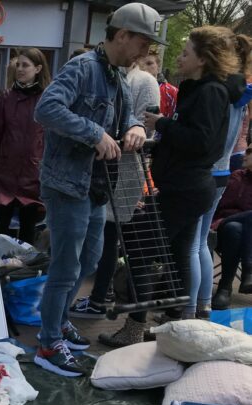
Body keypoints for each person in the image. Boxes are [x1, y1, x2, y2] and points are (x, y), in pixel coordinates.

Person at [32, 3, 156, 377]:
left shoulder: (117, 75)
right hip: (68, 184)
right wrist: (94, 133)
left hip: (96, 187)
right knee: (67, 266)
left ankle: (59, 324)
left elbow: (123, 116)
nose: (147, 52)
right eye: (143, 42)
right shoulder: (83, 68)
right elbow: (46, 109)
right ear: (122, 35)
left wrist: (135, 126)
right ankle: (48, 343)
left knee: (87, 262)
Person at [100, 25, 239, 346]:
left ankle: (134, 328)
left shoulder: (210, 92)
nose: (179, 56)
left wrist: (160, 124)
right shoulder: (205, 89)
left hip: (185, 188)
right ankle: (177, 325)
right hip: (189, 187)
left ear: (203, 59)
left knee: (141, 248)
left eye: (186, 52)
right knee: (176, 254)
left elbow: (203, 143)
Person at [70, 54, 160, 317]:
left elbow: (144, 129)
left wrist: (117, 135)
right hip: (106, 169)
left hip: (124, 171)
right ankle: (101, 293)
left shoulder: (143, 81)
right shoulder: (117, 77)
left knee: (110, 235)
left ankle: (98, 299)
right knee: (106, 236)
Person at [183, 33, 252, 319]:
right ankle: (203, 305)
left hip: (207, 172)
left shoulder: (220, 91)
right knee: (200, 243)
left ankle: (188, 308)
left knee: (192, 244)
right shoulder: (239, 92)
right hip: (223, 171)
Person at [0, 48, 50, 245]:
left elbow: (53, 135)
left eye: (25, 65)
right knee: (1, 225)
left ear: (38, 68)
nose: (20, 69)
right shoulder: (6, 98)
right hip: (6, 171)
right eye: (18, 64)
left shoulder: (48, 98)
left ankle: (23, 271)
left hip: (33, 170)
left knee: (28, 227)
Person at [212, 147, 252, 309]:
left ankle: (225, 287)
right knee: (235, 227)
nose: (244, 155)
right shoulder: (236, 176)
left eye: (249, 152)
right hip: (222, 229)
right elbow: (218, 203)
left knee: (238, 226)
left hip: (241, 234)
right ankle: (248, 271)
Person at [140, 51, 178, 116]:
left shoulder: (172, 91)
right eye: (140, 65)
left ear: (158, 66)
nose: (144, 68)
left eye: (149, 63)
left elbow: (174, 121)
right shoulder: (130, 86)